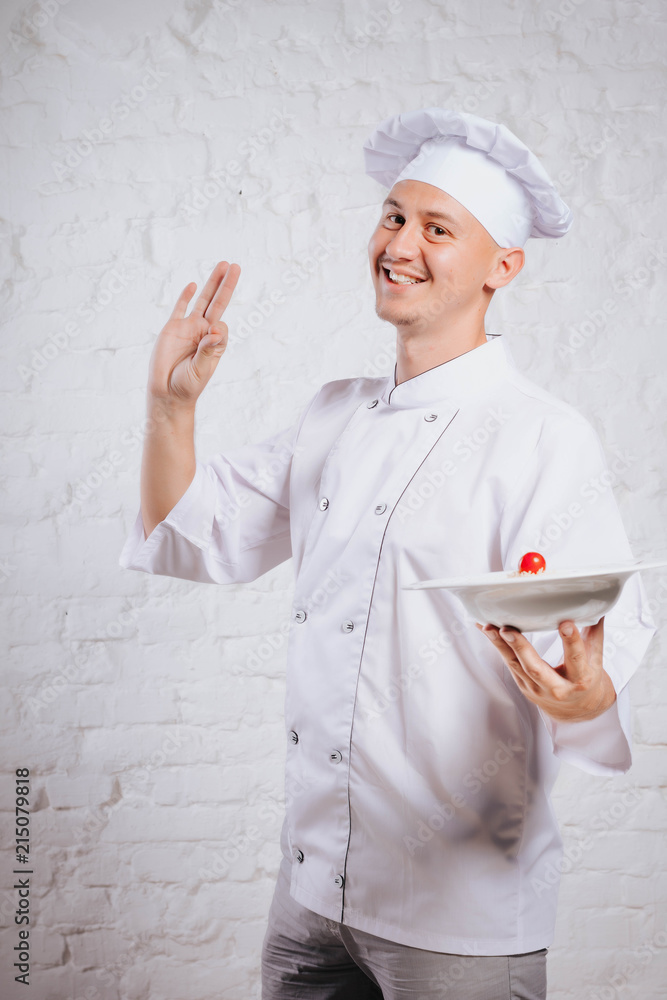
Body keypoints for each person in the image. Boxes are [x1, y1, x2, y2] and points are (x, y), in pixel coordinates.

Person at [119, 107, 657, 999]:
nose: (399, 244)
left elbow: (592, 644)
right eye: (393, 216)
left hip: (456, 912)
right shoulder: (333, 413)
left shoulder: (541, 437)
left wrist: (588, 695)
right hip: (309, 895)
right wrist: (170, 408)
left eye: (437, 229)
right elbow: (194, 532)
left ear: (501, 267)